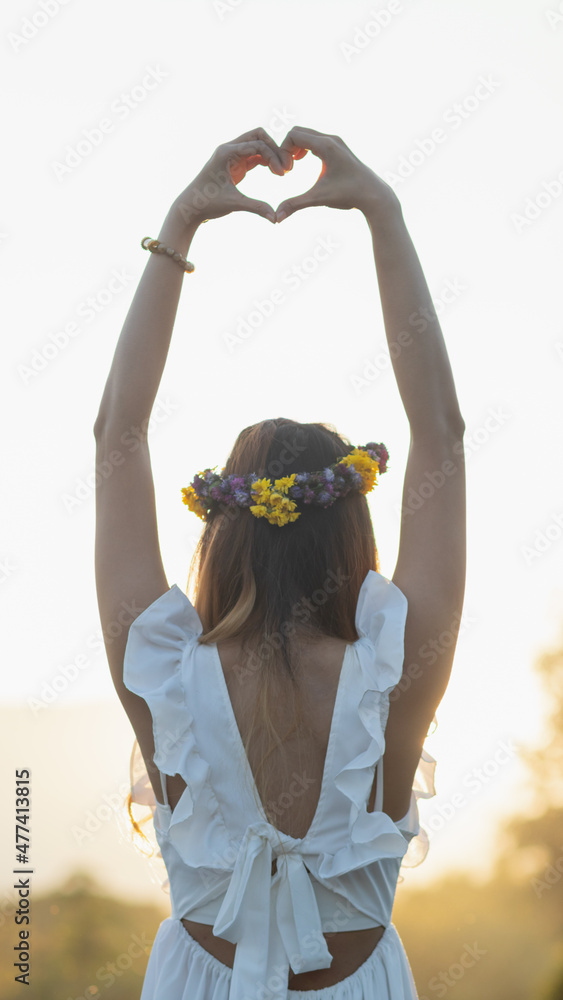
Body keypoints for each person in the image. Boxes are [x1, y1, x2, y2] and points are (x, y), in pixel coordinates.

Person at [93, 126, 466, 999]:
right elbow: (440, 433)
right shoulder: (396, 668)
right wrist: (383, 212)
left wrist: (179, 227)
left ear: (223, 531)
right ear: (350, 537)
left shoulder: (162, 673)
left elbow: (118, 432)